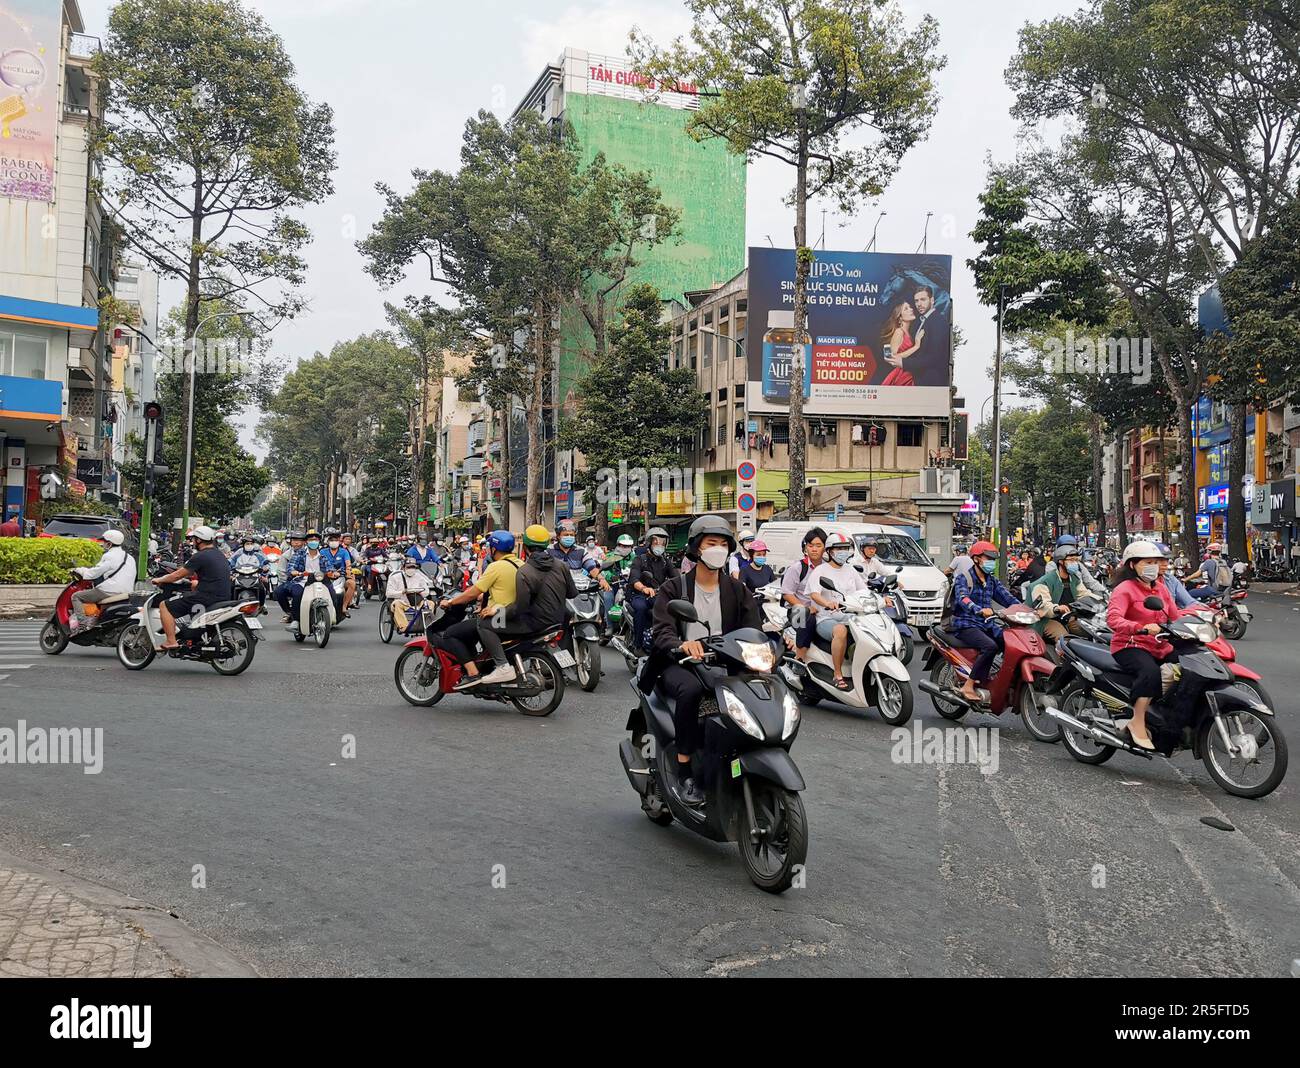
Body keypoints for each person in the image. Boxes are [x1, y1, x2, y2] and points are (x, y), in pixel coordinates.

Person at [640, 515, 767, 807]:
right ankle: (685, 771)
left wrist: (772, 643)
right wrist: (682, 644)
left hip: (726, 664)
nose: (718, 549)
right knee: (692, 693)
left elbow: (754, 628)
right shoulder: (674, 588)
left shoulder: (737, 589)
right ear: (697, 548)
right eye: (712, 543)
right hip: (678, 664)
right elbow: (662, 632)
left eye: (724, 544)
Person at [469, 525, 578, 687]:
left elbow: (519, 608)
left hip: (535, 623)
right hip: (558, 620)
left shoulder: (525, 571)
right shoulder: (561, 566)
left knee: (484, 624)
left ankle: (502, 666)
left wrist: (496, 610)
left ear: (525, 547)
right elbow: (572, 594)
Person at [1107, 541, 1186, 751]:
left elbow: (1175, 616)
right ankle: (1137, 721)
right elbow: (1113, 620)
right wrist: (1140, 628)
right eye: (1147, 562)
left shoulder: (1160, 589)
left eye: (1155, 562)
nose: (1153, 566)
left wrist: (1203, 619)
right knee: (1151, 673)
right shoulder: (1125, 589)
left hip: (1160, 644)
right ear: (1132, 565)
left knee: (1188, 667)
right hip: (1130, 644)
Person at [438, 529, 521, 685]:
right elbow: (501, 589)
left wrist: (450, 602)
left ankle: (473, 673)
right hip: (515, 616)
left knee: (450, 634)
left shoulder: (496, 567)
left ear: (494, 549)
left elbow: (473, 592)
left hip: (498, 617)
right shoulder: (520, 564)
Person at [950, 540, 1020, 704]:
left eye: (993, 559)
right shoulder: (964, 578)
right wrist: (978, 609)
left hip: (987, 623)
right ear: (976, 559)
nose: (991, 563)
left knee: (1010, 643)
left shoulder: (991, 581)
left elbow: (1007, 598)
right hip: (966, 623)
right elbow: (962, 598)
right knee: (990, 646)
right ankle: (968, 685)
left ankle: (997, 681)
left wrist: (1025, 609)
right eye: (987, 558)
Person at [150, 526, 229, 650]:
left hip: (207, 597)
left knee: (164, 605)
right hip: (223, 596)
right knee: (193, 587)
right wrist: (194, 583)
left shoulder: (200, 556)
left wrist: (160, 579)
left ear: (199, 540)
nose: (192, 542)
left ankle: (171, 641)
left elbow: (177, 575)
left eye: (193, 539)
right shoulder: (219, 554)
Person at [809, 532, 870, 690]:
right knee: (840, 631)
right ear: (829, 551)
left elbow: (864, 591)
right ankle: (837, 674)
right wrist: (827, 603)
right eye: (839, 548)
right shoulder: (821, 571)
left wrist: (882, 600)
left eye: (845, 548)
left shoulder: (850, 570)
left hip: (849, 615)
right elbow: (814, 594)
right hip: (825, 618)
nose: (843, 551)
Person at [69, 529, 136, 630]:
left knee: (76, 597)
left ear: (109, 544)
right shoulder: (129, 557)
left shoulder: (109, 556)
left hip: (111, 590)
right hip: (127, 590)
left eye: (104, 542)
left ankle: (82, 624)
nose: (103, 544)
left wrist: (80, 570)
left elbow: (93, 573)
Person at [1028, 544, 1091, 651]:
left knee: (1089, 632)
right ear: (1061, 561)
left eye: (1076, 560)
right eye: (1071, 560)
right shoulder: (1045, 582)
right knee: (1065, 641)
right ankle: (1064, 666)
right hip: (1044, 620)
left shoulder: (1074, 579)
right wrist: (1056, 608)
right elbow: (1043, 605)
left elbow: (1084, 594)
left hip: (1066, 617)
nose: (1075, 563)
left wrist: (1102, 602)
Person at [628, 527, 678, 652]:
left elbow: (676, 578)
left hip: (658, 595)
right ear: (649, 543)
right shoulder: (639, 560)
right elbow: (634, 579)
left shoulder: (666, 562)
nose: (659, 545)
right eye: (656, 542)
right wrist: (644, 588)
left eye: (662, 543)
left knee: (671, 609)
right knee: (641, 608)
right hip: (640, 595)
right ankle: (638, 645)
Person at [781, 526, 827, 660]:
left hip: (823, 610)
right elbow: (787, 594)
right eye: (810, 545)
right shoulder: (797, 568)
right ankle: (799, 658)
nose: (814, 549)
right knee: (807, 618)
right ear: (805, 547)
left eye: (818, 545)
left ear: (825, 547)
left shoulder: (827, 567)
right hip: (798, 610)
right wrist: (805, 607)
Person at [386, 556, 434, 634]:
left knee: (430, 603)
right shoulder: (395, 578)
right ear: (404, 567)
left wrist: (419, 592)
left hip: (417, 602)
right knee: (397, 604)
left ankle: (425, 625)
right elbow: (388, 593)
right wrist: (402, 592)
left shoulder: (419, 577)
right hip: (402, 602)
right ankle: (404, 627)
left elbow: (426, 591)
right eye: (409, 567)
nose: (411, 569)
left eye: (413, 567)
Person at [228, 536, 268, 611]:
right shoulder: (238, 554)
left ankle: (262, 606)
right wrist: (230, 574)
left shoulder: (258, 555)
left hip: (254, 576)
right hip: (239, 575)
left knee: (262, 589)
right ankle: (230, 606)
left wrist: (265, 571)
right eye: (247, 544)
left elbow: (265, 564)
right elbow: (230, 563)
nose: (249, 545)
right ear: (243, 545)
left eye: (251, 543)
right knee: (231, 587)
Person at [1156, 543, 1196, 609]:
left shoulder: (1170, 579)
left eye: (1167, 560)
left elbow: (1189, 601)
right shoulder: (1135, 585)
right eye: (1160, 560)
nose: (1165, 564)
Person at [736, 537, 775, 603]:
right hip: (752, 605)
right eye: (758, 555)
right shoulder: (745, 570)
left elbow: (774, 585)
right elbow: (741, 590)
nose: (762, 557)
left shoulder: (767, 569)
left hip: (767, 605)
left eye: (764, 554)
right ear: (752, 555)